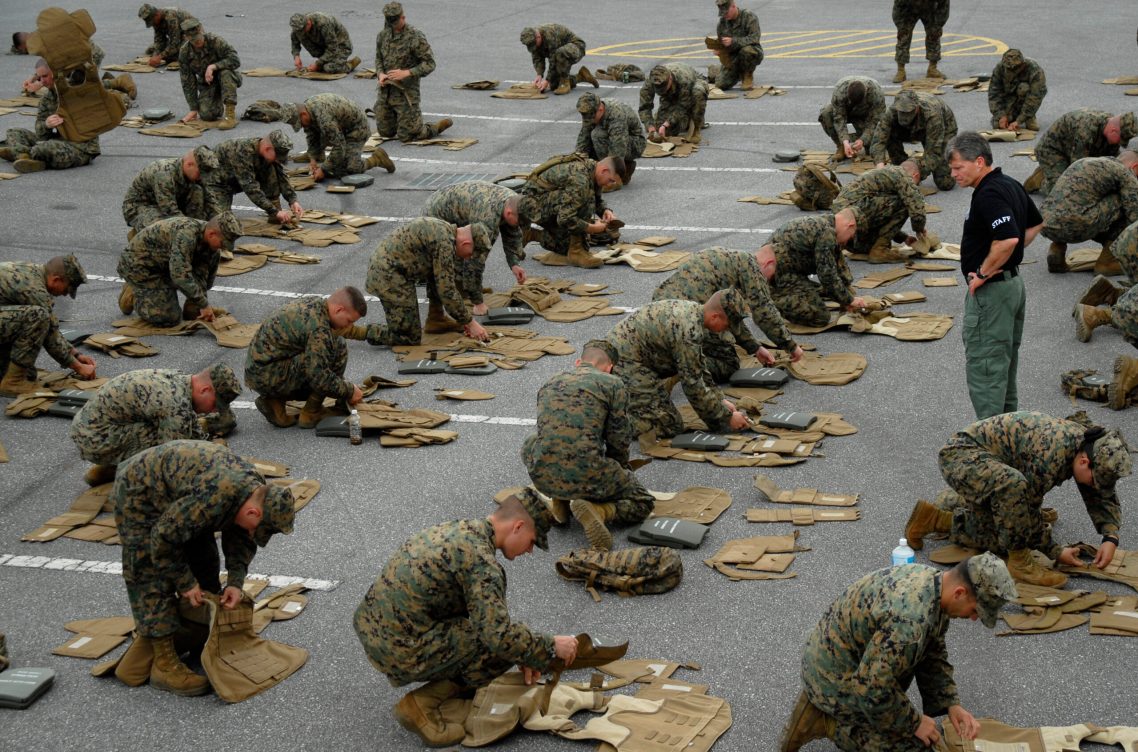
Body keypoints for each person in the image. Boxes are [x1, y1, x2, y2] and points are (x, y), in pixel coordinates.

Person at [353, 493, 578, 747]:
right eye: (532, 542)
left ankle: (458, 687)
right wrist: (547, 647)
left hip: (374, 629)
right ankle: (421, 706)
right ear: (518, 526)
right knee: (498, 646)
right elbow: (498, 636)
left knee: (503, 636)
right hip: (400, 648)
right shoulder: (482, 563)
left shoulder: (459, 530)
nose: (528, 551)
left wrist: (526, 652)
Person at [112, 440, 296, 696]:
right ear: (254, 512)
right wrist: (185, 582)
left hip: (182, 498)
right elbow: (163, 539)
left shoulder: (251, 491)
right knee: (150, 572)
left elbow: (241, 535)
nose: (253, 533)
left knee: (205, 560)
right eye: (257, 528)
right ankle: (163, 665)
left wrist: (235, 582)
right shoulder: (215, 494)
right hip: (140, 493)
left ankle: (199, 634)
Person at [780, 553, 1017, 752]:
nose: (974, 618)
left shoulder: (934, 583)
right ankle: (825, 720)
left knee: (902, 697)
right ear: (959, 593)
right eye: (975, 610)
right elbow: (871, 689)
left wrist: (951, 703)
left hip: (842, 660)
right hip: (831, 678)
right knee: (915, 744)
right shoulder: (910, 621)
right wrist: (913, 723)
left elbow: (932, 650)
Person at [905, 411, 1131, 586]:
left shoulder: (1088, 446)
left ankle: (941, 512)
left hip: (984, 465)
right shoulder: (1053, 454)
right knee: (1011, 531)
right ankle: (1020, 562)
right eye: (1094, 481)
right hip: (960, 459)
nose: (1094, 487)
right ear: (1084, 461)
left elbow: (1102, 491)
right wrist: (1054, 550)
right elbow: (1026, 508)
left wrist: (1110, 537)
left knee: (1013, 519)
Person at [521, 340, 654, 550]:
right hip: (589, 474)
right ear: (609, 367)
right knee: (643, 502)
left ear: (578, 362)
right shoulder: (612, 384)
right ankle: (600, 510)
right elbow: (618, 439)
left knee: (531, 441)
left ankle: (560, 501)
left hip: (544, 475)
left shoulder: (550, 382)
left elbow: (547, 432)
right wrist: (619, 469)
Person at [947, 132, 1041, 420]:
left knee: (986, 370)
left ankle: (990, 445)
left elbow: (1008, 239)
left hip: (993, 293)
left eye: (958, 167)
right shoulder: (1009, 183)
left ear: (978, 162)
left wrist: (983, 273)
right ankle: (1008, 432)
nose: (953, 175)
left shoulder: (988, 194)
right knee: (1004, 367)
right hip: (1012, 286)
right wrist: (1008, 259)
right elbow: (1035, 223)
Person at [605, 290, 753, 438]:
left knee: (666, 417)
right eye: (727, 326)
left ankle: (625, 405)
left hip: (637, 359)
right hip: (623, 362)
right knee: (667, 427)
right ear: (715, 317)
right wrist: (726, 419)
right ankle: (607, 423)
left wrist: (720, 400)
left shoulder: (695, 314)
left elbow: (699, 367)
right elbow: (693, 385)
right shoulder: (689, 332)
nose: (725, 331)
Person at [70, 365, 241, 486]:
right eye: (214, 404)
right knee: (169, 448)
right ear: (204, 390)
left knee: (183, 428)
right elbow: (176, 456)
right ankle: (121, 468)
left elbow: (189, 422)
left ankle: (115, 467)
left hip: (99, 427)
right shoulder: (174, 403)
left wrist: (207, 444)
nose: (212, 410)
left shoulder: (179, 380)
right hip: (95, 438)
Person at [653, 247, 803, 382]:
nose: (769, 282)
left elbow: (730, 316)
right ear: (768, 264)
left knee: (715, 335)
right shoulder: (751, 268)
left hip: (661, 307)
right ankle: (682, 366)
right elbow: (764, 311)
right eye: (773, 276)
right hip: (686, 315)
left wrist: (755, 348)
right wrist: (790, 345)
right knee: (728, 364)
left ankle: (676, 352)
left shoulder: (729, 257)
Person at [352, 217, 490, 347]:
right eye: (471, 253)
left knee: (439, 281)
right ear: (466, 243)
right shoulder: (445, 243)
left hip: (395, 272)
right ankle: (356, 331)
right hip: (388, 277)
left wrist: (462, 320)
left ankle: (435, 319)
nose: (468, 257)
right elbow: (447, 291)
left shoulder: (446, 232)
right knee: (408, 338)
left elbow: (438, 280)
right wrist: (470, 323)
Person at [244, 287, 366, 429]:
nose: (349, 325)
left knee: (331, 346)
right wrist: (349, 390)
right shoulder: (319, 329)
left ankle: (274, 402)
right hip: (267, 375)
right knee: (337, 348)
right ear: (338, 310)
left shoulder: (316, 304)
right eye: (349, 320)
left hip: (260, 371)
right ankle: (311, 413)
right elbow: (320, 378)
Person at [421, 181, 533, 314]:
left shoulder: (515, 203)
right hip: (437, 213)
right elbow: (474, 261)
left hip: (460, 206)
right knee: (454, 253)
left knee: (462, 254)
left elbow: (512, 232)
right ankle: (440, 307)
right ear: (509, 213)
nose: (520, 225)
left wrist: (514, 264)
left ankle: (463, 287)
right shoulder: (487, 219)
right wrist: (478, 302)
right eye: (520, 222)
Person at [116, 212, 242, 327]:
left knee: (195, 304)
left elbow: (207, 279)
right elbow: (179, 275)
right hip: (140, 267)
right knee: (169, 318)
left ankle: (191, 307)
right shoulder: (187, 234)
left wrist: (199, 304)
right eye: (223, 243)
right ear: (211, 234)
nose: (224, 247)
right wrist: (204, 304)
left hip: (165, 264)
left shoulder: (210, 244)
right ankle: (133, 291)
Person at [0, 255, 95, 395]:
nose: (64, 294)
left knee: (29, 375)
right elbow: (51, 337)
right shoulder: (35, 290)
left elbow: (52, 330)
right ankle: (13, 383)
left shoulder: (33, 271)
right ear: (56, 279)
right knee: (37, 317)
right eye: (66, 289)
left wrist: (76, 354)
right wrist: (79, 367)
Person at [517, 153, 624, 269]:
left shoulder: (592, 169)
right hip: (532, 206)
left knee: (564, 246)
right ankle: (576, 252)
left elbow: (597, 199)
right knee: (585, 200)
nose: (609, 185)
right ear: (604, 171)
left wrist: (605, 211)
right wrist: (591, 228)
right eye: (611, 180)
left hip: (544, 202)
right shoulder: (581, 179)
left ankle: (530, 234)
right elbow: (565, 218)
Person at [1041, 152, 1138, 275]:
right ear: (1135, 166)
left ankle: (1057, 250)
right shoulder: (1125, 172)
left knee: (1074, 202)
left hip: (1046, 224)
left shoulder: (1085, 162)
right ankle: (1106, 263)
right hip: (1076, 226)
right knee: (1126, 202)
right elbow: (1134, 217)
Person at [0, 58, 100, 173]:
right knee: (13, 132)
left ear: (55, 72)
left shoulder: (75, 87)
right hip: (55, 140)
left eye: (45, 76)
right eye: (40, 77)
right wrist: (46, 125)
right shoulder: (46, 99)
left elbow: (84, 64)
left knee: (45, 148)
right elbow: (40, 133)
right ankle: (25, 157)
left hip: (81, 147)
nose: (42, 81)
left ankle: (19, 152)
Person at [766, 210, 862, 327]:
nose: (848, 241)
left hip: (788, 270)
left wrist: (846, 291)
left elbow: (837, 261)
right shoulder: (826, 233)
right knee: (820, 317)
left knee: (825, 292)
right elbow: (827, 277)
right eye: (851, 237)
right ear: (850, 226)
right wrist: (849, 300)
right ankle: (768, 302)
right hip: (776, 275)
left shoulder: (827, 222)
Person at [374, 2, 452, 143]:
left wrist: (407, 72)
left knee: (407, 136)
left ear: (403, 18)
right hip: (386, 92)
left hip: (406, 93)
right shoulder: (382, 35)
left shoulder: (415, 36)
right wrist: (380, 73)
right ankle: (406, 119)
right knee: (386, 132)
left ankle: (431, 128)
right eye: (390, 22)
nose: (392, 26)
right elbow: (378, 58)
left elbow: (430, 64)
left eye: (396, 22)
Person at [282, 94, 394, 181]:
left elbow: (339, 147)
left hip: (356, 129)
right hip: (341, 127)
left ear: (303, 114)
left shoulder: (324, 117)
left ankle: (377, 159)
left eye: (300, 123)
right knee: (333, 165)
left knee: (350, 169)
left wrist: (323, 169)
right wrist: (313, 159)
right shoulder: (307, 109)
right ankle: (320, 156)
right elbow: (311, 135)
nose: (301, 126)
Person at [832, 160, 927, 263]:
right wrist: (919, 229)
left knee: (871, 245)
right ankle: (880, 250)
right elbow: (916, 207)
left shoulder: (886, 176)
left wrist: (904, 237)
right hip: (853, 214)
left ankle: (857, 245)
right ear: (915, 175)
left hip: (844, 221)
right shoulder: (902, 175)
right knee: (905, 202)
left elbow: (882, 215)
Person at [1030, 110, 1137, 196]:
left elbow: (1112, 162)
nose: (1120, 143)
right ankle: (1041, 181)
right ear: (1113, 130)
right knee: (1065, 192)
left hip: (1074, 148)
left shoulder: (1109, 127)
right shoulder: (1085, 129)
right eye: (1121, 139)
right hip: (1052, 151)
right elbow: (1078, 169)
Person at [208, 130, 303, 224]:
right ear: (267, 149)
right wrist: (273, 211)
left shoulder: (266, 152)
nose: (279, 159)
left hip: (236, 178)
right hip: (217, 183)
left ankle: (275, 213)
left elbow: (281, 175)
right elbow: (251, 189)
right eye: (278, 156)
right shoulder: (242, 153)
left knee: (271, 170)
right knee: (221, 223)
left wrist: (293, 201)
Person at [121, 146, 221, 236]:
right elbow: (170, 211)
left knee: (197, 192)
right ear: (189, 165)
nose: (204, 176)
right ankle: (139, 235)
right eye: (202, 172)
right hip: (140, 207)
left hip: (169, 203)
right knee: (164, 229)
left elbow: (211, 200)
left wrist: (220, 224)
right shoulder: (163, 174)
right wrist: (195, 230)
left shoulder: (196, 175)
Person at [871, 89, 958, 191]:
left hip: (942, 129)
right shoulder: (892, 111)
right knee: (889, 134)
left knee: (945, 183)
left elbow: (934, 152)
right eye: (901, 112)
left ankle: (956, 161)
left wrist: (916, 173)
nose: (904, 117)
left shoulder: (932, 114)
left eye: (908, 112)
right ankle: (901, 169)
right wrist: (879, 165)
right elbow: (878, 140)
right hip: (909, 129)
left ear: (917, 108)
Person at [178, 18, 240, 129]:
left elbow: (235, 60)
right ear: (186, 37)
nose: (197, 42)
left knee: (225, 73)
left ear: (202, 30)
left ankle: (230, 116)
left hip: (227, 77)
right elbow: (187, 81)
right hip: (208, 84)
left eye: (198, 38)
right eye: (193, 40)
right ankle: (217, 103)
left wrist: (213, 66)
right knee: (207, 115)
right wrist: (193, 108)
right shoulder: (185, 52)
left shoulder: (216, 41)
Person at [575, 92, 645, 184]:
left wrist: (609, 173)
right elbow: (583, 139)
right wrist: (578, 164)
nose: (589, 120)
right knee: (592, 139)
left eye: (592, 117)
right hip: (615, 139)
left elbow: (618, 148)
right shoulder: (592, 111)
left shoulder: (616, 114)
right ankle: (623, 167)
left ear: (600, 109)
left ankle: (614, 176)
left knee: (597, 135)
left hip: (635, 143)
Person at [818, 76, 886, 162]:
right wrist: (845, 142)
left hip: (864, 114)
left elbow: (875, 121)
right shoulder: (840, 90)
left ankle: (867, 144)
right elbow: (839, 118)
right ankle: (841, 147)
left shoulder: (876, 93)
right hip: (847, 111)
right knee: (826, 113)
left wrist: (863, 140)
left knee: (872, 149)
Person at [639, 63, 709, 143]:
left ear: (670, 79)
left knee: (698, 93)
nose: (661, 91)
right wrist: (650, 127)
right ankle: (686, 120)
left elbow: (682, 107)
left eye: (664, 88)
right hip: (670, 94)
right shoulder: (650, 82)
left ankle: (696, 127)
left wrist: (667, 123)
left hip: (693, 84)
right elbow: (644, 107)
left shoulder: (684, 80)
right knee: (663, 131)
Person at [520, 24, 598, 95]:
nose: (534, 46)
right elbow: (537, 57)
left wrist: (546, 80)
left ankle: (565, 83)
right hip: (560, 54)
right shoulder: (533, 39)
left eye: (534, 44)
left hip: (576, 47)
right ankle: (582, 76)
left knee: (560, 53)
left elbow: (553, 60)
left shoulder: (549, 35)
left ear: (538, 36)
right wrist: (539, 75)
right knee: (554, 85)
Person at [987, 48, 1046, 132]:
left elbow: (1035, 98)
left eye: (1013, 69)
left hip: (1026, 98)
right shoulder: (1000, 68)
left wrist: (1019, 120)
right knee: (997, 125)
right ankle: (1011, 115)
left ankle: (1029, 117)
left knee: (1024, 88)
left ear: (1022, 65)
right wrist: (1001, 115)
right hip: (1009, 97)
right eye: (1007, 68)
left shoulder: (1035, 70)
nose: (1009, 71)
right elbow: (994, 94)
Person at [891, 0, 950, 83]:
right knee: (903, 37)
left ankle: (932, 69)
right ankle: (901, 71)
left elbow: (944, 5)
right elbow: (898, 7)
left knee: (934, 35)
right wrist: (900, 25)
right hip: (908, 10)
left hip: (930, 9)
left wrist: (939, 24)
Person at [711, 0, 763, 92]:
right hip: (733, 56)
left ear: (734, 6)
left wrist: (734, 41)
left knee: (746, 51)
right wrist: (720, 49)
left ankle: (747, 74)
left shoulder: (749, 16)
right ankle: (724, 71)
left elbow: (754, 38)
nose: (725, 15)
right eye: (723, 13)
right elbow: (721, 42)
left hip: (752, 52)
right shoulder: (722, 23)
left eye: (726, 12)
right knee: (720, 84)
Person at [289, 12, 359, 74]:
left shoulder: (323, 23)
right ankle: (326, 60)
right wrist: (296, 56)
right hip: (325, 45)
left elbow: (332, 48)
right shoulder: (299, 26)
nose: (301, 32)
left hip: (340, 46)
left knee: (329, 68)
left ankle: (350, 65)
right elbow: (295, 40)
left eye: (302, 30)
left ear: (308, 23)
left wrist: (318, 64)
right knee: (301, 36)